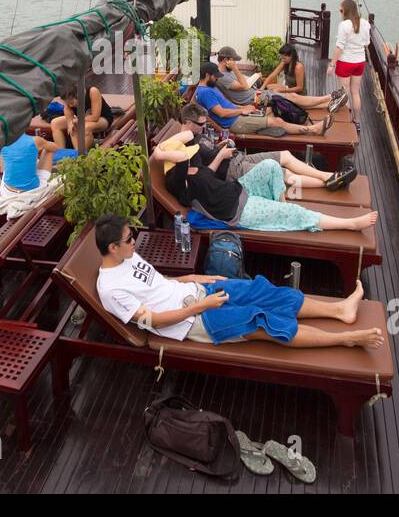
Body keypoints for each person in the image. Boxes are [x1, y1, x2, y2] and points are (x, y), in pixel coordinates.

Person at [94, 214, 383, 348]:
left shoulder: (127, 256)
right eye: (129, 238)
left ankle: (339, 310)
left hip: (197, 291)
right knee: (260, 320)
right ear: (112, 248)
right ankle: (345, 340)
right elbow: (153, 321)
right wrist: (199, 307)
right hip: (191, 322)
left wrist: (194, 277)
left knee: (261, 290)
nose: (134, 241)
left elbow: (158, 282)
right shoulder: (111, 289)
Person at [152, 136, 377, 234]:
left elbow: (202, 161)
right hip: (237, 211)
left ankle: (280, 202)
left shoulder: (194, 165)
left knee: (270, 165)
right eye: (184, 153)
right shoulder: (176, 180)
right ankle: (350, 224)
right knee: (295, 212)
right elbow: (165, 157)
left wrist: (220, 154)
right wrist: (160, 151)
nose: (190, 153)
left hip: (240, 189)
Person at [174, 102, 356, 191]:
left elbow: (209, 151)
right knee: (280, 172)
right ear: (188, 122)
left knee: (285, 155)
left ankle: (329, 176)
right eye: (201, 124)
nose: (204, 127)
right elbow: (204, 177)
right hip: (231, 170)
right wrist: (221, 155)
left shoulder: (195, 133)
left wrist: (221, 146)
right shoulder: (183, 147)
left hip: (237, 157)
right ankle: (328, 183)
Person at [193, 62, 330, 137]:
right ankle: (313, 130)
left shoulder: (208, 88)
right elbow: (221, 113)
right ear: (207, 75)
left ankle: (267, 127)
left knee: (272, 108)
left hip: (238, 115)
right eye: (215, 76)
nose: (217, 78)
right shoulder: (205, 92)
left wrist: (242, 108)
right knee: (278, 121)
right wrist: (241, 112)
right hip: (236, 122)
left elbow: (226, 105)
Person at [213, 45, 344, 113]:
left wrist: (261, 86)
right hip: (254, 99)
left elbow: (245, 83)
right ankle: (330, 97)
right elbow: (245, 86)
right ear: (226, 60)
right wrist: (236, 69)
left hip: (256, 95)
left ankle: (330, 101)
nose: (235, 63)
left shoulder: (298, 67)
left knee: (293, 97)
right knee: (292, 98)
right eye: (234, 61)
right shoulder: (223, 76)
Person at [260, 44, 347, 112]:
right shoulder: (284, 63)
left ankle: (330, 97)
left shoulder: (298, 67)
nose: (282, 59)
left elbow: (299, 88)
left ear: (291, 56)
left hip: (299, 93)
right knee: (269, 87)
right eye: (282, 57)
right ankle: (332, 102)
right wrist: (262, 88)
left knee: (304, 106)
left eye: (284, 58)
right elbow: (272, 75)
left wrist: (281, 90)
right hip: (289, 90)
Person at [330, 0, 370, 131]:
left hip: (345, 62)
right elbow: (367, 43)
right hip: (360, 62)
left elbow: (339, 47)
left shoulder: (344, 25)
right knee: (355, 92)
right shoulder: (365, 24)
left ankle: (346, 122)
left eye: (341, 10)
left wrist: (332, 64)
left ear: (346, 10)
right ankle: (357, 121)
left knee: (344, 93)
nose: (340, 13)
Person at [50, 84, 107, 150]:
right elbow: (67, 109)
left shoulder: (92, 91)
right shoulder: (69, 101)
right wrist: (69, 123)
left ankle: (84, 154)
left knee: (85, 127)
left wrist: (78, 120)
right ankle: (63, 152)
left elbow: (95, 117)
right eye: (68, 103)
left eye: (71, 103)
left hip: (102, 118)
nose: (70, 106)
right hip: (81, 118)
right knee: (55, 123)